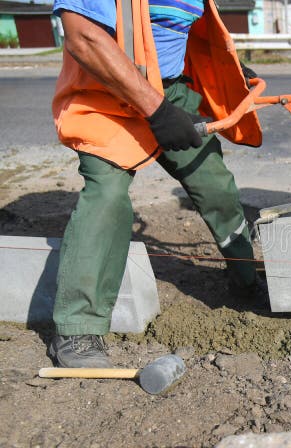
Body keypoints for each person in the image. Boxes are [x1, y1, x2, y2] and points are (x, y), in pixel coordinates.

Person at [48, 0, 269, 369]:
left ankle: (245, 281)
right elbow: (83, 36)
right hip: (104, 92)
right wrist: (157, 110)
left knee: (215, 184)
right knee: (108, 194)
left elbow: (175, 33)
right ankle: (77, 328)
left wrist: (227, 69)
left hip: (170, 90)